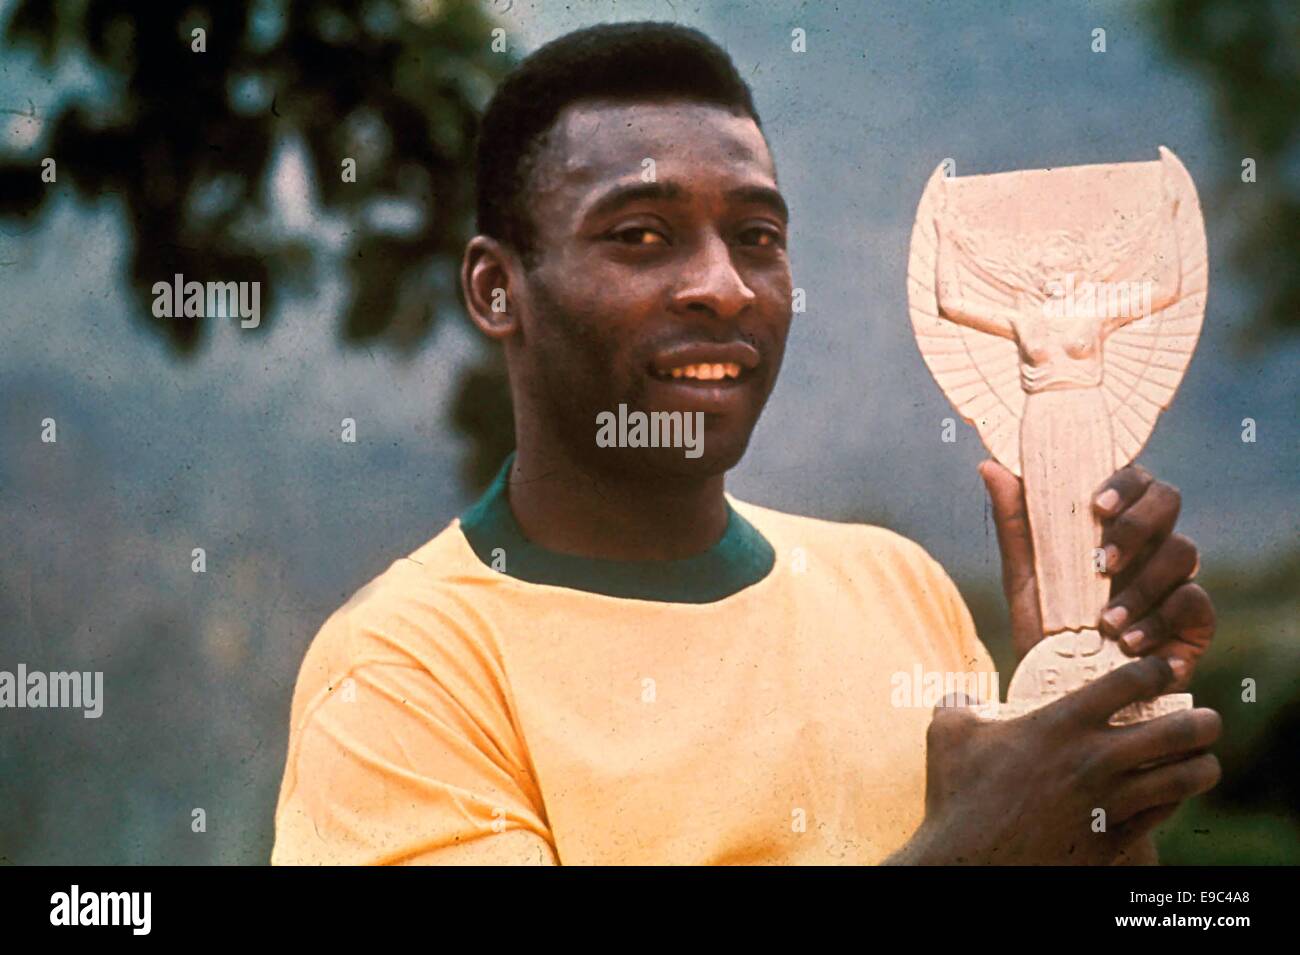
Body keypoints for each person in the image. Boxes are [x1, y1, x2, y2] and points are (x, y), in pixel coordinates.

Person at [271, 21, 1220, 866]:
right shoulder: (403, 671)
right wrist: (972, 848)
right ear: (496, 290)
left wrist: (1094, 738)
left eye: (757, 234)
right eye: (642, 235)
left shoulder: (901, 592)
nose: (724, 286)